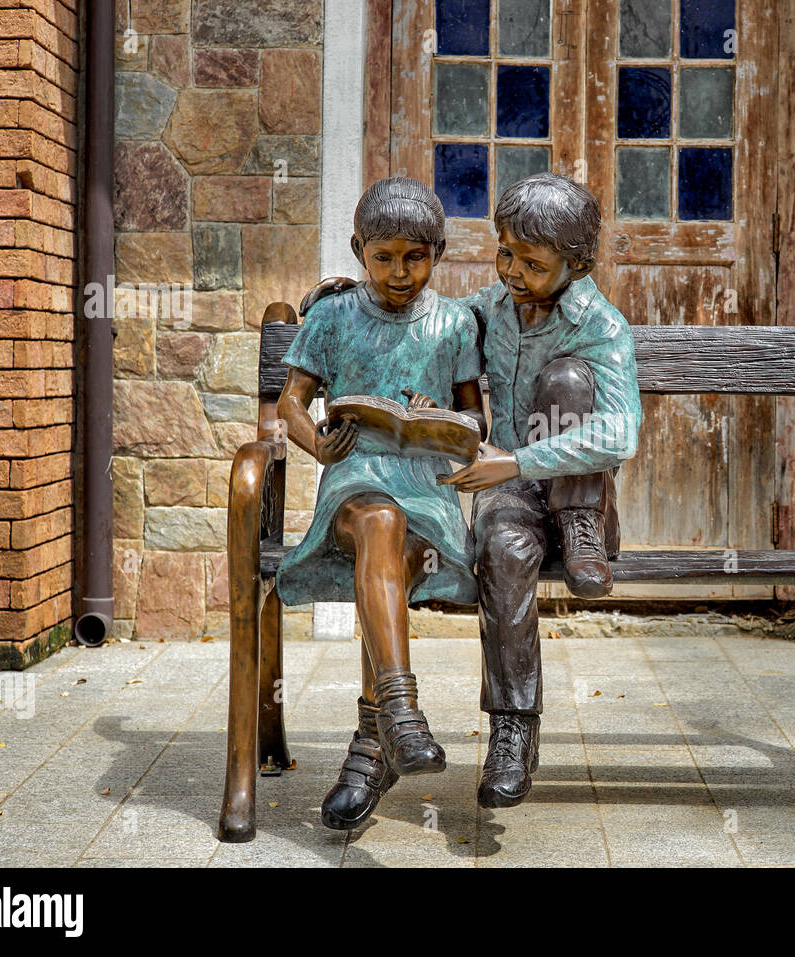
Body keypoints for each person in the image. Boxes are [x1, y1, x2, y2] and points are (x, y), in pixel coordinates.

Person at [275, 176, 483, 830]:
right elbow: (289, 403)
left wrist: (442, 416)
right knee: (378, 519)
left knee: (390, 536)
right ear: (358, 250)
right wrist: (319, 445)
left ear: (439, 252)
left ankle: (374, 739)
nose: (400, 272)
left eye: (415, 257)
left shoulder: (454, 323)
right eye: (384, 257)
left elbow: (477, 423)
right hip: (352, 490)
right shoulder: (333, 317)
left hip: (426, 494)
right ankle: (399, 711)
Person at [441, 173, 642, 809]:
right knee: (499, 550)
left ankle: (579, 526)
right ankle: (512, 730)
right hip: (516, 495)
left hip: (578, 495)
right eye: (505, 253)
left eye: (533, 263)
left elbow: (620, 429)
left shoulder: (602, 326)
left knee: (567, 380)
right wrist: (358, 294)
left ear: (576, 266)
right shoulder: (492, 309)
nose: (513, 272)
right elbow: (429, 320)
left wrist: (517, 460)